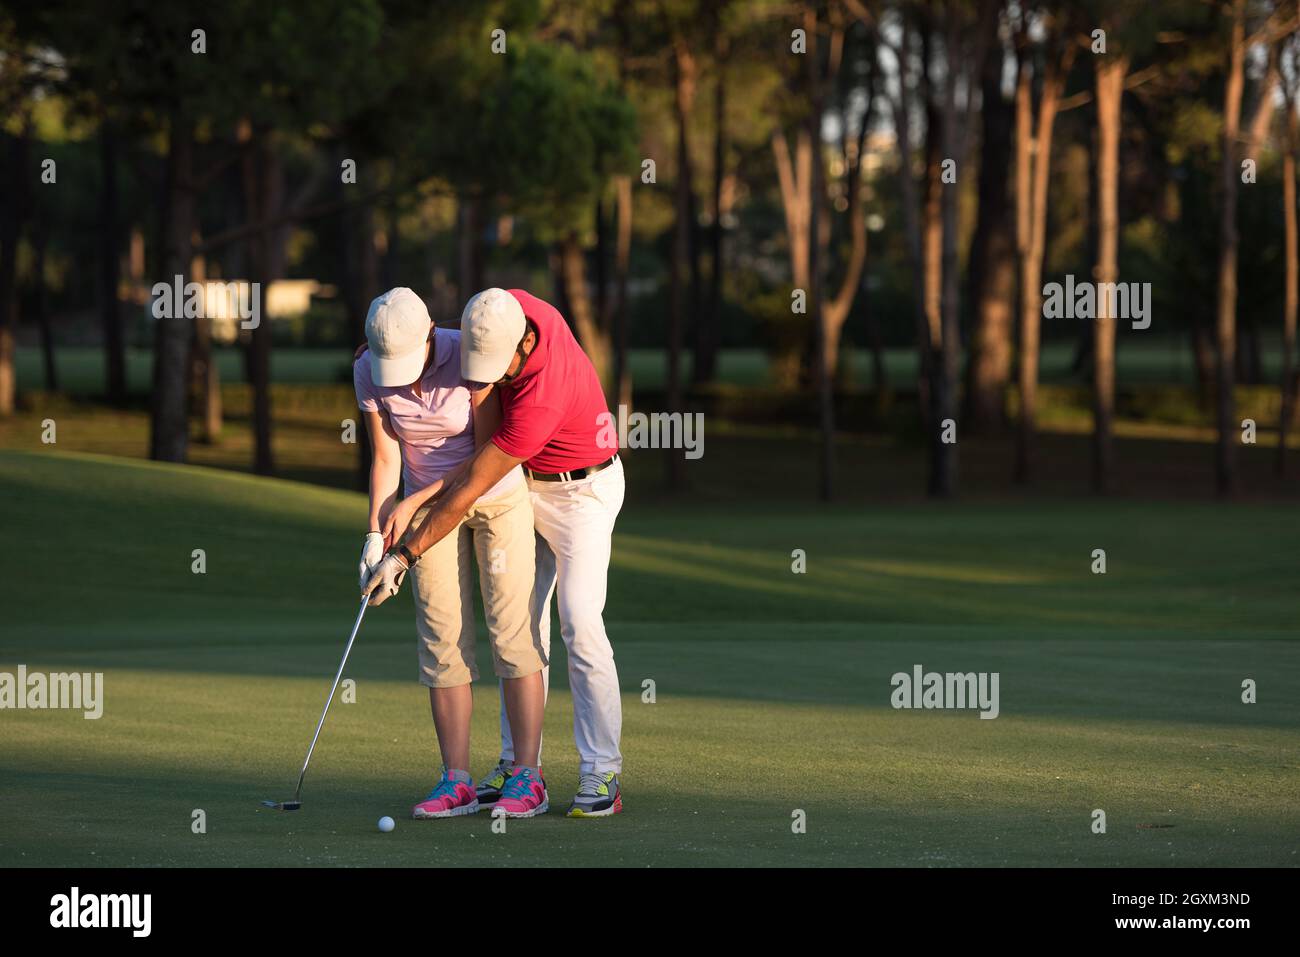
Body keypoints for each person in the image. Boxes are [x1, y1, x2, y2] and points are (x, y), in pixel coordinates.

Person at [366, 287, 625, 817]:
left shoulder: (541, 399)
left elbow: (470, 486)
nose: (486, 380)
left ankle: (601, 771)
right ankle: (514, 766)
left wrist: (404, 551)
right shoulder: (503, 308)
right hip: (531, 485)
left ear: (524, 344)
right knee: (523, 625)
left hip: (581, 494)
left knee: (578, 620)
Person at [354, 287, 548, 820]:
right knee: (440, 639)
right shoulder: (367, 370)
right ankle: (456, 781)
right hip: (425, 514)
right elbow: (386, 458)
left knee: (511, 632)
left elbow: (486, 456)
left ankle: (527, 776)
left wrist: (415, 502)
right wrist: (374, 535)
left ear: (430, 337)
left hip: (494, 497)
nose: (402, 379)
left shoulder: (469, 354)